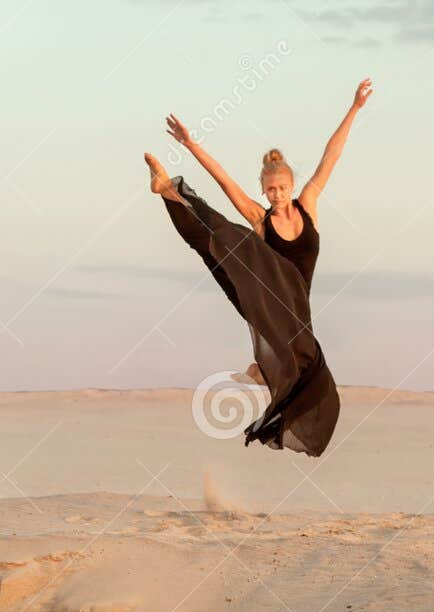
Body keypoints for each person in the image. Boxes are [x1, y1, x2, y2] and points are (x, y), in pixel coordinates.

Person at [145, 78, 372, 456]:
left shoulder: (307, 205)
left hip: (296, 308)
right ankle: (168, 188)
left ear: (291, 185)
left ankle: (262, 373)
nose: (277, 195)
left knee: (312, 376)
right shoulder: (260, 218)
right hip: (269, 296)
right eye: (270, 191)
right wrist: (190, 143)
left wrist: (354, 108)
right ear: (264, 190)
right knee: (223, 235)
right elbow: (224, 182)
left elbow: (331, 157)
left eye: (282, 189)